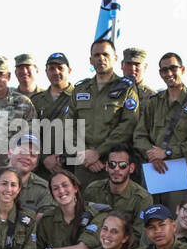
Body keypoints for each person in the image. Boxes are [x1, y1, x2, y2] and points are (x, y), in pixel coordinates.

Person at [47, 38, 140, 186]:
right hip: (83, 165)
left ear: (115, 58)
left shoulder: (126, 89)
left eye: (105, 54)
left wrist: (98, 152)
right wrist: (84, 153)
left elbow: (128, 125)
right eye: (96, 55)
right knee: (84, 206)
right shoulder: (80, 90)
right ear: (91, 60)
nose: (101, 58)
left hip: (114, 165)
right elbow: (69, 125)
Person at [133, 51, 187, 201]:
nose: (168, 73)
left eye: (173, 68)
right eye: (164, 70)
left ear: (183, 69)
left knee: (177, 218)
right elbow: (139, 135)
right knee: (151, 217)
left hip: (180, 176)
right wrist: (153, 155)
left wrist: (167, 153)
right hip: (153, 171)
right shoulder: (154, 102)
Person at [30, 169, 101, 249]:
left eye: (65, 185)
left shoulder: (94, 213)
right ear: (52, 194)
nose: (61, 191)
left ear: (75, 188)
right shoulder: (47, 219)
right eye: (56, 188)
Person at [82, 143, 153, 223]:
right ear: (107, 167)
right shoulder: (92, 190)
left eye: (122, 165)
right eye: (112, 164)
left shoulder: (142, 199)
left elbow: (139, 232)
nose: (116, 169)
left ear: (131, 168)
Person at [30, 52, 73, 177]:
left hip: (70, 165)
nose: (56, 72)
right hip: (42, 167)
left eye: (60, 68)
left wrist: (62, 158)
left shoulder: (79, 97)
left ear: (69, 70)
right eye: (52, 69)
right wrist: (44, 158)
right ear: (46, 71)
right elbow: (31, 133)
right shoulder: (37, 100)